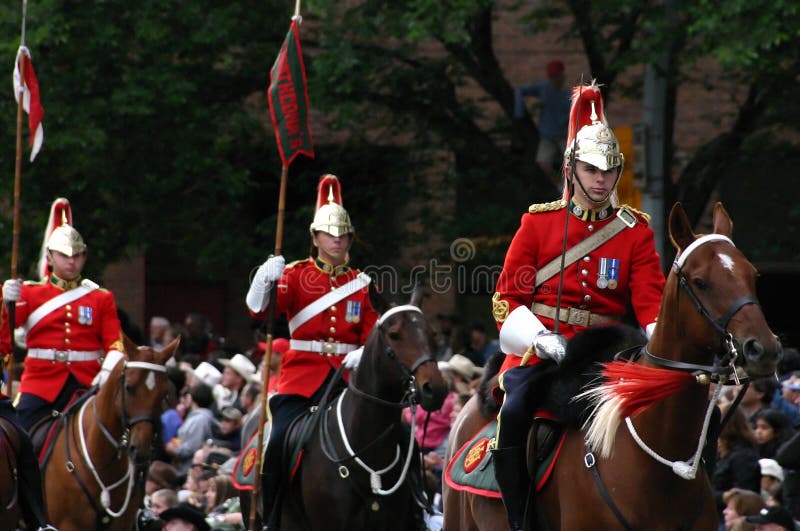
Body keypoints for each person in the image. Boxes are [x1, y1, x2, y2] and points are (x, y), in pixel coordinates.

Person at [491, 81, 665, 531]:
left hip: (607, 353)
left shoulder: (634, 232)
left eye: (609, 169)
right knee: (512, 415)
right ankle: (521, 518)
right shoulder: (538, 223)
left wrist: (662, 351)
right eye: (591, 168)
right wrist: (540, 338)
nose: (601, 178)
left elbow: (651, 303)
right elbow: (506, 299)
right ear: (571, 169)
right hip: (541, 351)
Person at [245, 174, 380, 530]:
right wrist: (263, 279)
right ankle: (272, 519)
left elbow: (372, 334)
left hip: (348, 381)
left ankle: (412, 507)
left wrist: (362, 355)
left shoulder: (362, 284)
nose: (337, 241)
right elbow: (259, 311)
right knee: (276, 446)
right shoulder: (295, 275)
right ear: (315, 238)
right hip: (301, 380)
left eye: (343, 235)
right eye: (330, 235)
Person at [1, 197, 124, 430]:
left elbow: (115, 344)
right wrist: (6, 302)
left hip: (88, 382)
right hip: (40, 384)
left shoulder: (101, 298)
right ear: (49, 257)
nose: (71, 261)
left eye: (77, 256)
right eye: (64, 255)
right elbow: (7, 332)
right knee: (16, 435)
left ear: (84, 257)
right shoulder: (29, 292)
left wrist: (107, 373)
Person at [513, 59, 571, 182]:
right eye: (552, 78)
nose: (555, 81)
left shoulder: (568, 95)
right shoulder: (543, 88)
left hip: (564, 136)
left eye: (557, 77)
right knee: (543, 164)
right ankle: (558, 185)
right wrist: (519, 112)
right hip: (547, 136)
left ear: (563, 76)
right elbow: (520, 90)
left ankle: (569, 187)